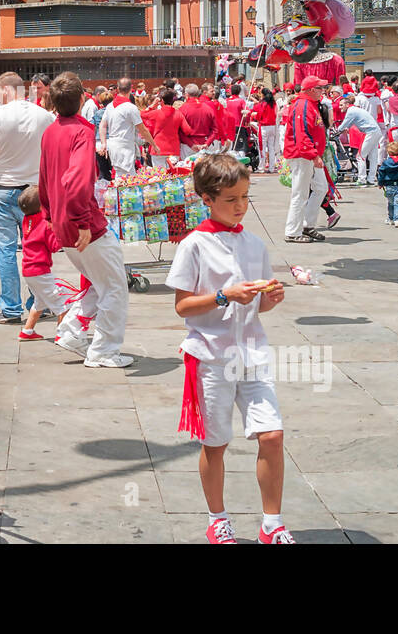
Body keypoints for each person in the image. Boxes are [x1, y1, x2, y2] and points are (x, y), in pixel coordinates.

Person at [165, 154, 292, 544]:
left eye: (245, 198)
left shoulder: (254, 244)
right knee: (216, 443)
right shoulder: (194, 245)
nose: (240, 206)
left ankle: (272, 522)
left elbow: (258, 304)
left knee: (271, 435)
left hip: (252, 353)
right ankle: (217, 517)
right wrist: (223, 296)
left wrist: (270, 298)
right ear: (206, 198)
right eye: (231, 199)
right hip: (210, 356)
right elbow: (183, 306)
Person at [41, 73, 133, 368]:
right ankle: (104, 350)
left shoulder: (50, 132)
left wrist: (49, 216)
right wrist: (82, 221)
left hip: (61, 219)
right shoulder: (82, 131)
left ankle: (69, 330)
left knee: (100, 282)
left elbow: (43, 179)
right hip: (83, 222)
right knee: (115, 286)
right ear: (82, 98)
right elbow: (78, 180)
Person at [0, 71, 54, 325]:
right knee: (36, 250)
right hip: (34, 190)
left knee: (7, 252)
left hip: (5, 189)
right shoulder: (44, 116)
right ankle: (39, 303)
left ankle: (11, 309)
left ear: (7, 90)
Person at [17, 185, 71, 343]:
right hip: (40, 271)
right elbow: (54, 246)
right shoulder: (44, 223)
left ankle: (27, 330)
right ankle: (62, 334)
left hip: (29, 271)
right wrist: (60, 232)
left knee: (39, 302)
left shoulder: (27, 220)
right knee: (64, 303)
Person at [282, 76, 329, 243]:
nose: (323, 91)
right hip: (302, 154)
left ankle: (307, 225)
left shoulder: (309, 105)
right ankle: (293, 231)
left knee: (320, 188)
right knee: (300, 193)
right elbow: (301, 134)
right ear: (310, 90)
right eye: (320, 88)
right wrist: (313, 154)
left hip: (308, 154)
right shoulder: (303, 106)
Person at [98, 77, 154, 176]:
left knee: (120, 176)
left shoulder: (110, 106)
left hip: (113, 146)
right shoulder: (131, 108)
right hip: (125, 148)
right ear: (131, 88)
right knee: (128, 179)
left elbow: (102, 125)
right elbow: (143, 130)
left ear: (118, 89)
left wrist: (103, 143)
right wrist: (154, 145)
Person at [337, 94, 383, 186]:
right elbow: (351, 122)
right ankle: (371, 179)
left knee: (360, 156)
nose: (339, 107)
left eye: (341, 105)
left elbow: (343, 125)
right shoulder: (355, 110)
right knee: (373, 157)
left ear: (347, 104)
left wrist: (337, 131)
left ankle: (362, 179)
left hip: (370, 132)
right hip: (376, 131)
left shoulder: (351, 111)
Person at [142, 87, 183, 167]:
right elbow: (187, 130)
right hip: (173, 148)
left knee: (159, 175)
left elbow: (142, 114)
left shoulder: (156, 113)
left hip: (158, 148)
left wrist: (152, 105)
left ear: (162, 101)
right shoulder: (178, 113)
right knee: (173, 175)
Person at [179, 82, 217, 157]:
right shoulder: (208, 108)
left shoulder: (182, 109)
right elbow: (215, 130)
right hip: (205, 145)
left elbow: (180, 131)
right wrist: (207, 143)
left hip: (188, 146)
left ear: (186, 95)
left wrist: (191, 144)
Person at [251, 87, 280, 173]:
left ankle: (261, 167)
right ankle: (271, 167)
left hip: (264, 126)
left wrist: (254, 116)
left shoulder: (263, 103)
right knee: (271, 148)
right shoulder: (273, 103)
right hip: (272, 126)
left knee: (262, 148)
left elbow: (259, 115)